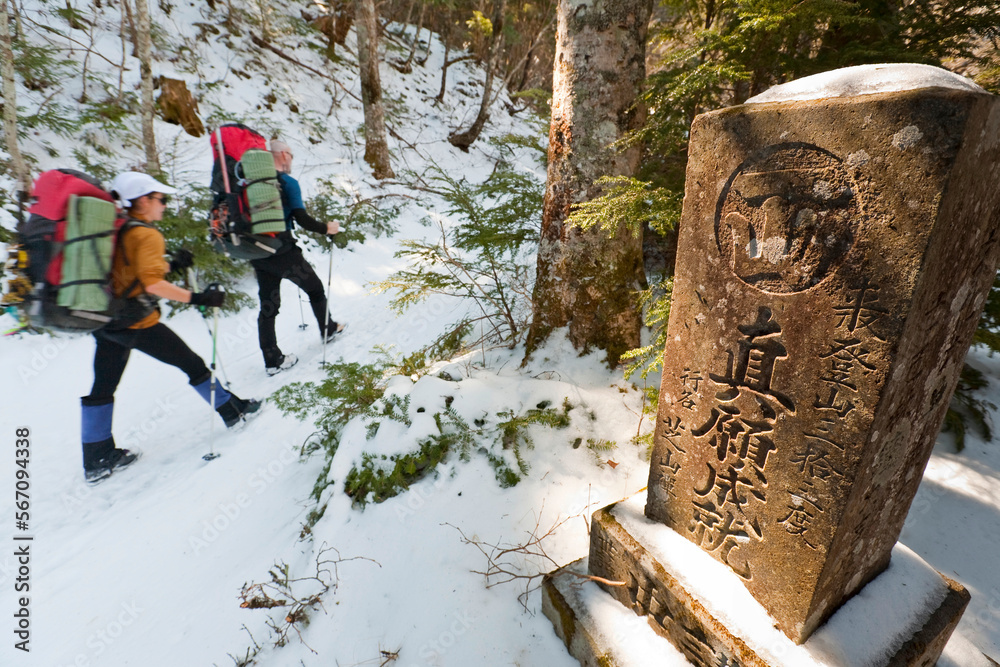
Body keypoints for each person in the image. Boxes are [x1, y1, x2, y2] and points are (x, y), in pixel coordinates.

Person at [79, 171, 261, 484]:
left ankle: (96, 457)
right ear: (142, 200)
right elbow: (152, 282)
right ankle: (233, 411)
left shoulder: (117, 227)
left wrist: (173, 265)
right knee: (192, 364)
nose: (164, 204)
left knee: (103, 387)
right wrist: (198, 297)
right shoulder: (146, 234)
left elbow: (131, 268)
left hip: (106, 320)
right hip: (137, 322)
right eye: (159, 198)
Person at [250, 139, 344, 375]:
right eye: (290, 155)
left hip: (258, 253)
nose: (291, 159)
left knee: (268, 307)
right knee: (315, 289)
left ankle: (272, 360)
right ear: (282, 154)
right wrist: (327, 228)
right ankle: (329, 329)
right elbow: (302, 219)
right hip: (283, 252)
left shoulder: (249, 183)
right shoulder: (287, 183)